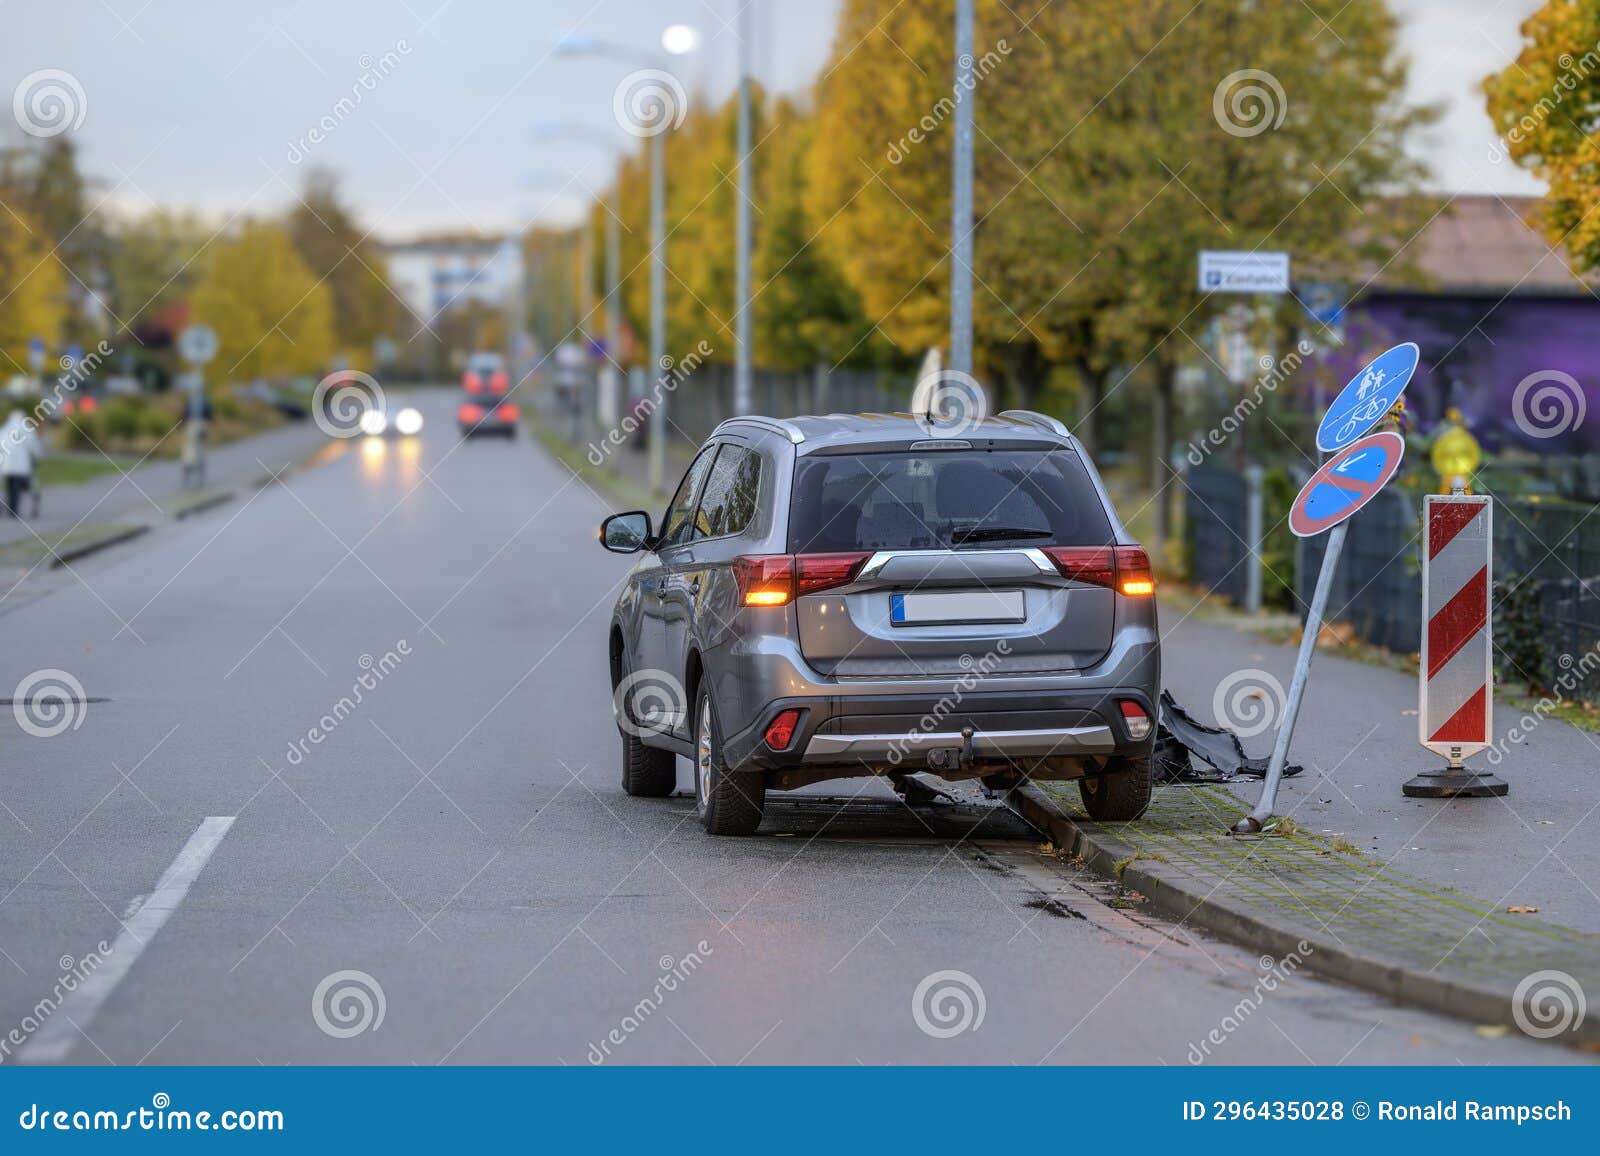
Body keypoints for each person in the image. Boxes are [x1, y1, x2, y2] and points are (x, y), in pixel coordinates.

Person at [0, 410, 43, 519]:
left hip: (7, 465)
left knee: (10, 486)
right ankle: (13, 509)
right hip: (21, 466)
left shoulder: (4, 429)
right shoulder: (27, 430)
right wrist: (38, 456)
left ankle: (11, 508)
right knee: (17, 487)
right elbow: (34, 446)